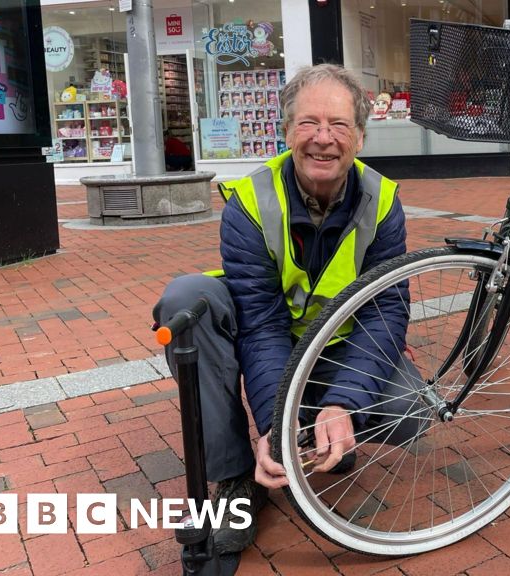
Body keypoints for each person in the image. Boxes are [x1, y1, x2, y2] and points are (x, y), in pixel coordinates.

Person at [154, 64, 414, 555]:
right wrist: (276, 424)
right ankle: (235, 477)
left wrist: (345, 405)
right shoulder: (250, 201)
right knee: (187, 302)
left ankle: (323, 427)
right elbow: (261, 322)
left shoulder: (383, 202)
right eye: (308, 123)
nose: (322, 139)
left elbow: (385, 311)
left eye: (338, 125)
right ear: (286, 129)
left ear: (359, 136)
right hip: (268, 337)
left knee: (408, 409)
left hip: (334, 349)